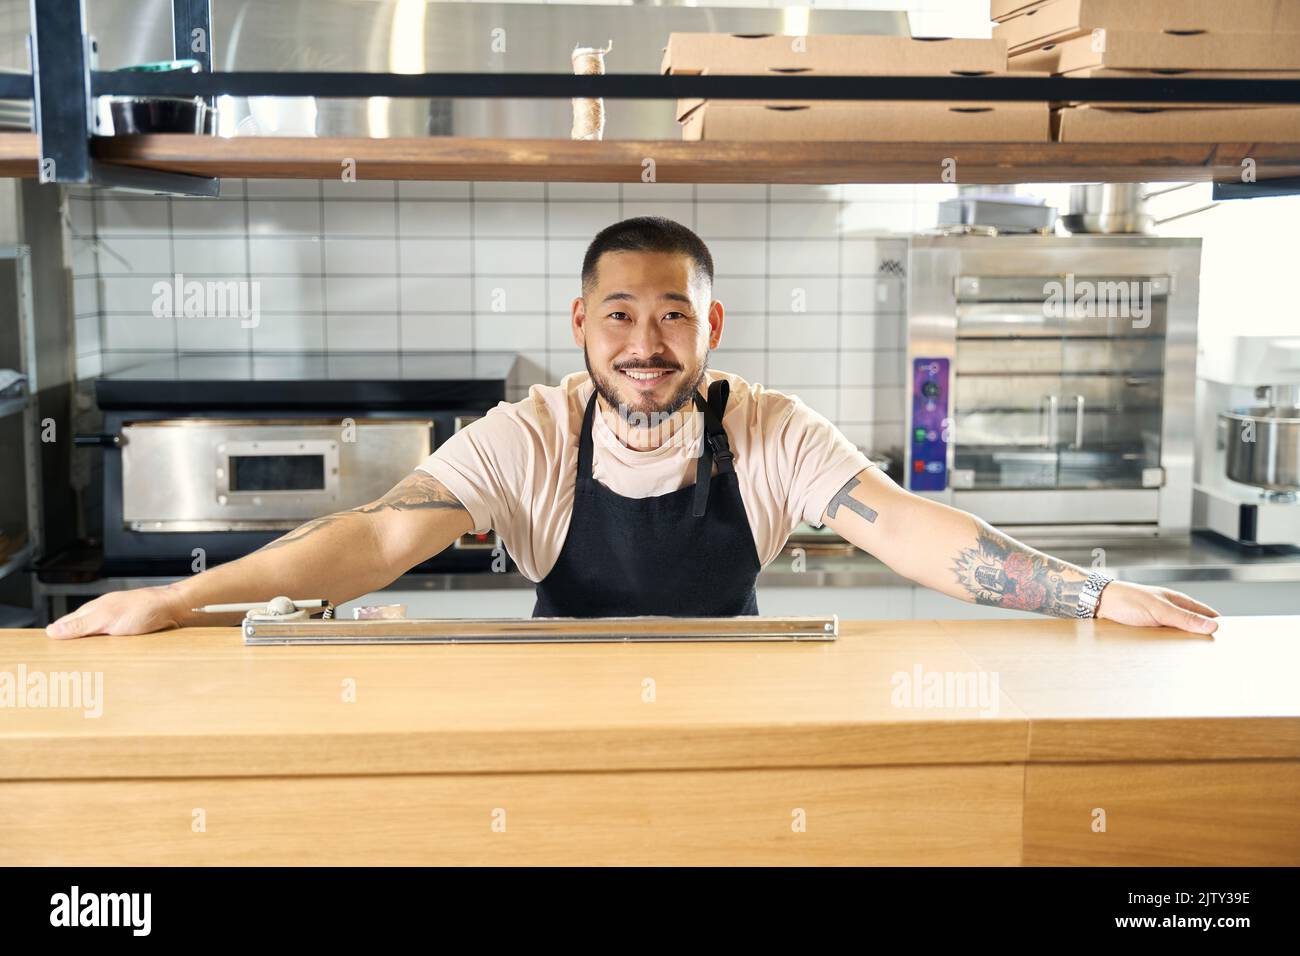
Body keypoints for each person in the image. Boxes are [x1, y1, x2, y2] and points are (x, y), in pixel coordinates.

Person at [46, 217, 1220, 638]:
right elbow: (370, 539)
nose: (644, 342)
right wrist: (179, 595)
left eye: (672, 315)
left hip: (741, 705)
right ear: (582, 323)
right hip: (561, 705)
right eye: (620, 314)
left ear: (711, 324)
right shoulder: (530, 433)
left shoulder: (767, 428)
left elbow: (910, 532)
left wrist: (1089, 591)